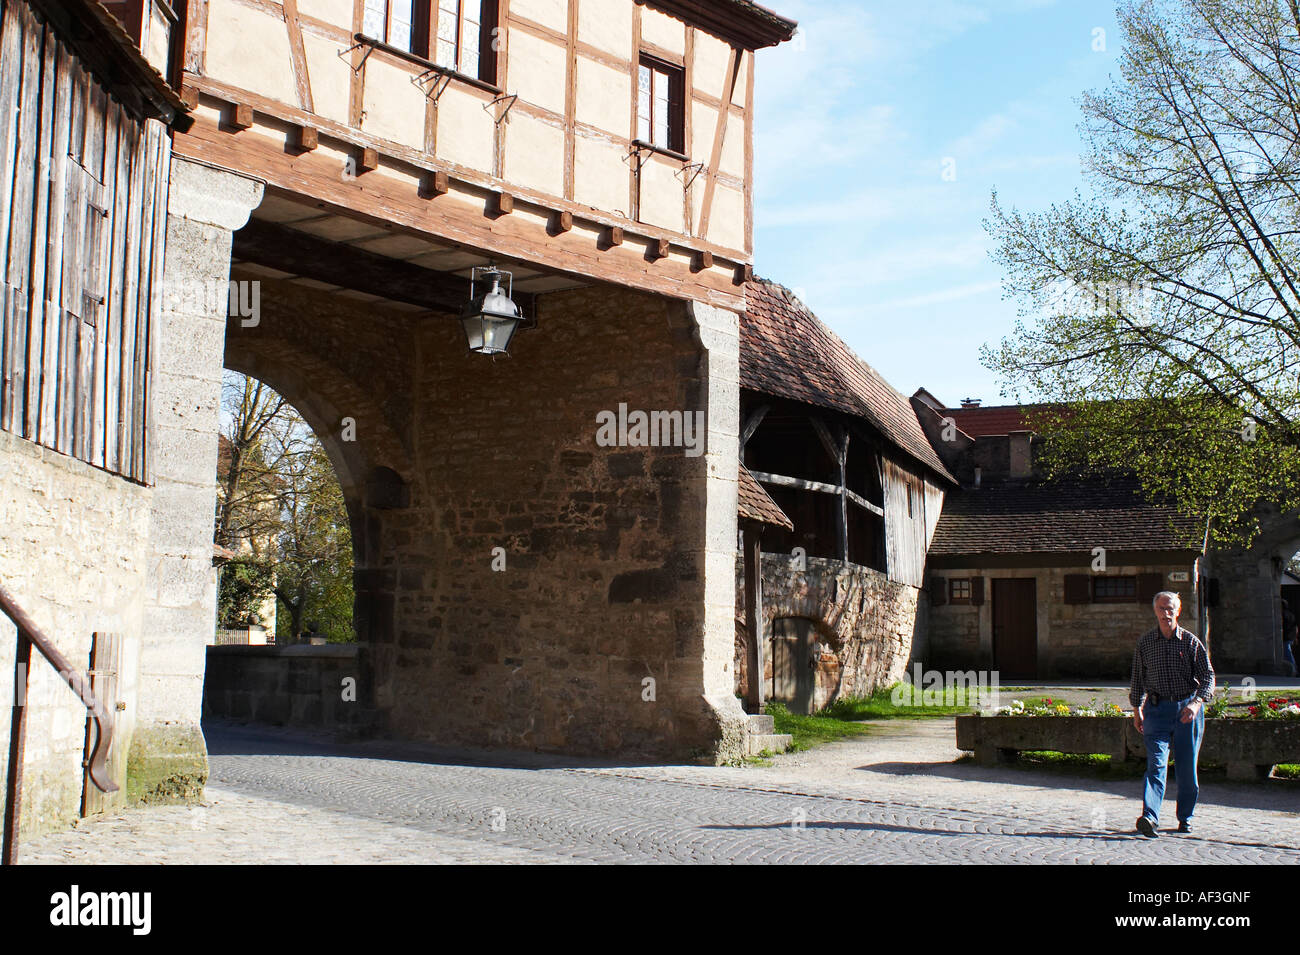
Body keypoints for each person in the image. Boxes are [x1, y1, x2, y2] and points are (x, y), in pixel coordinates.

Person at [1128, 591, 1215, 838]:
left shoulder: (1190, 642)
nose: (1166, 613)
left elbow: (1208, 678)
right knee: (1156, 765)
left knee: (1187, 769)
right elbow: (1137, 679)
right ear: (1155, 611)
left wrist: (1197, 703)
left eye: (1170, 609)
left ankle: (1185, 817)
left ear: (1178, 611)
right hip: (1156, 711)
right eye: (1161, 609)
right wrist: (1136, 710)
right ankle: (1150, 817)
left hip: (1187, 711)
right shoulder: (1145, 643)